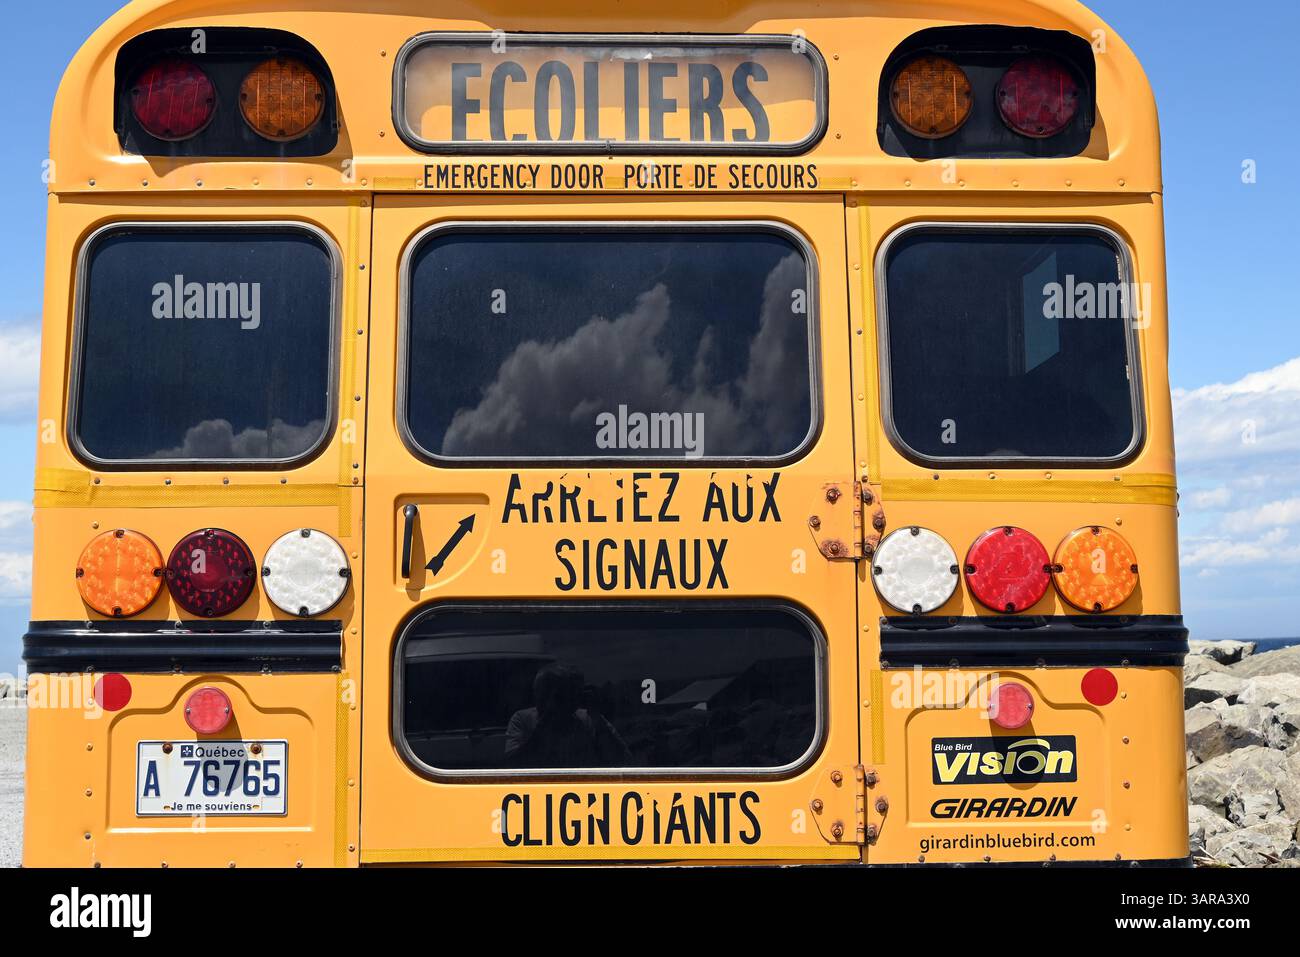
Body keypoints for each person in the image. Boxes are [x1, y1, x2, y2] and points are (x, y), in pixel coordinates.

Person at [504, 664, 631, 768]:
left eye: (571, 693)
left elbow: (622, 760)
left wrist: (596, 716)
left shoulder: (589, 719)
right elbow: (514, 765)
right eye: (559, 695)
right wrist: (547, 719)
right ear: (537, 694)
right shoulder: (523, 719)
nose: (566, 701)